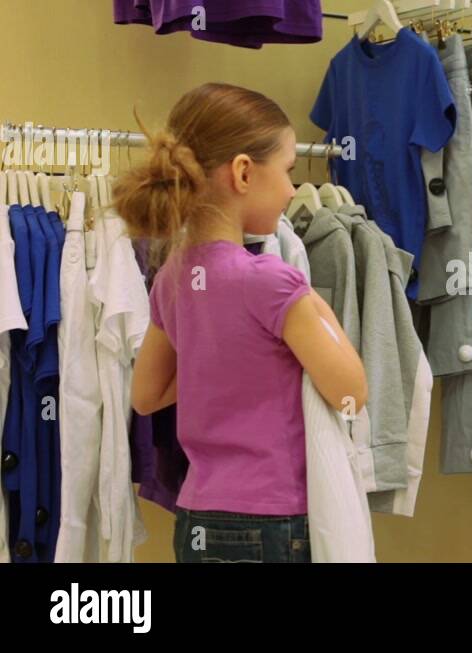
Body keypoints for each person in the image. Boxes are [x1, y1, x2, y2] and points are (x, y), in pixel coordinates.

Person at [114, 82, 368, 563]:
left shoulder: (172, 277)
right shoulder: (271, 281)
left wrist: (222, 365)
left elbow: (146, 394)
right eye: (288, 170)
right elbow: (352, 392)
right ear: (244, 173)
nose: (294, 189)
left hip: (197, 516)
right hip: (272, 520)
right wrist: (316, 306)